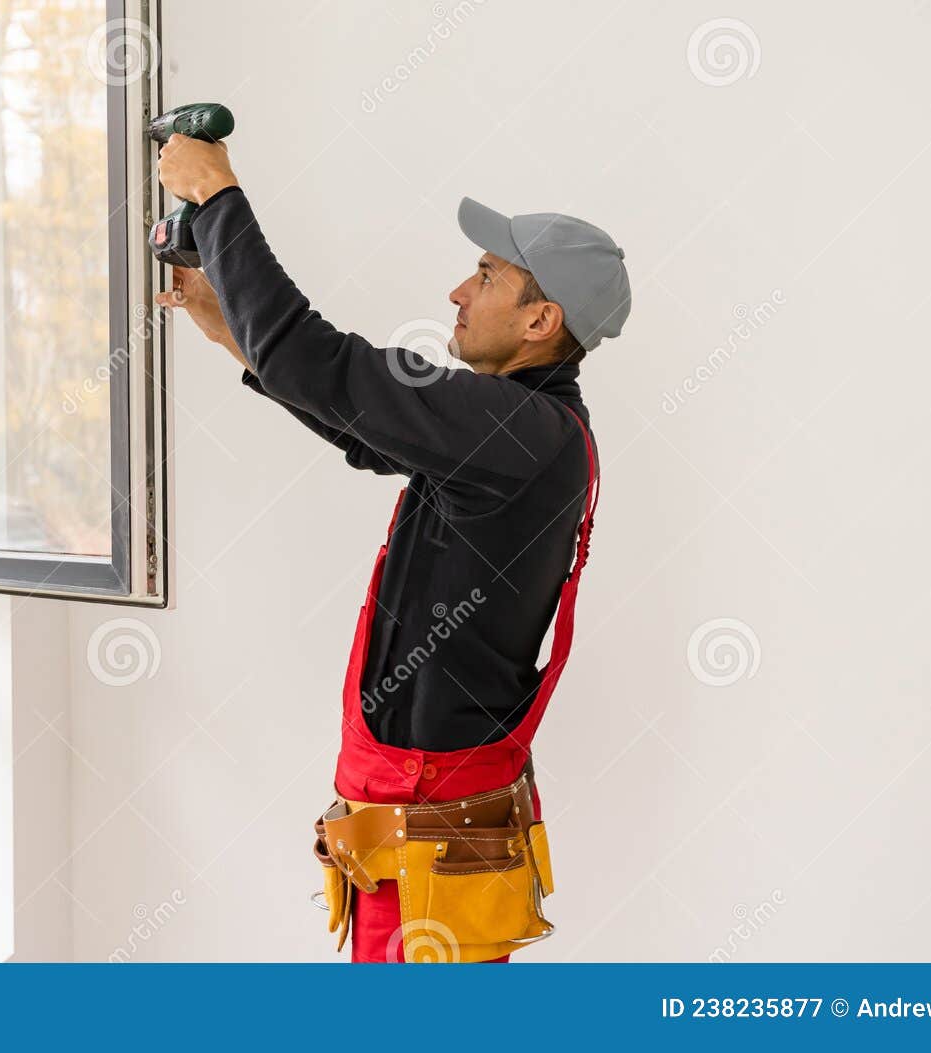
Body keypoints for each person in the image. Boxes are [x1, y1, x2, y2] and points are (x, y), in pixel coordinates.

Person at [156, 132, 631, 963]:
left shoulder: (521, 434)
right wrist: (232, 330)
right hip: (418, 844)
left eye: (486, 277)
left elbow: (324, 364)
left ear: (539, 320)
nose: (458, 290)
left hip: (427, 857)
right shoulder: (521, 431)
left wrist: (220, 196)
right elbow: (365, 431)